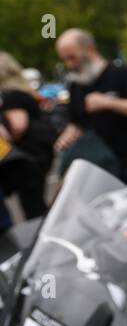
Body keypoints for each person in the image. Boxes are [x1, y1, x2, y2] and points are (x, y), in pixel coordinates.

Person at [54, 29, 127, 274]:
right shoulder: (76, 85)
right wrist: (69, 135)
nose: (70, 64)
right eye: (65, 59)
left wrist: (108, 102)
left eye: (72, 57)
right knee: (105, 231)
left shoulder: (121, 74)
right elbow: (79, 122)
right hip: (101, 170)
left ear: (88, 49)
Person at [0, 52, 56, 231]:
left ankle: (43, 243)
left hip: (28, 158)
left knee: (33, 208)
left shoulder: (10, 96)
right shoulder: (23, 92)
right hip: (37, 154)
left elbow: (17, 126)